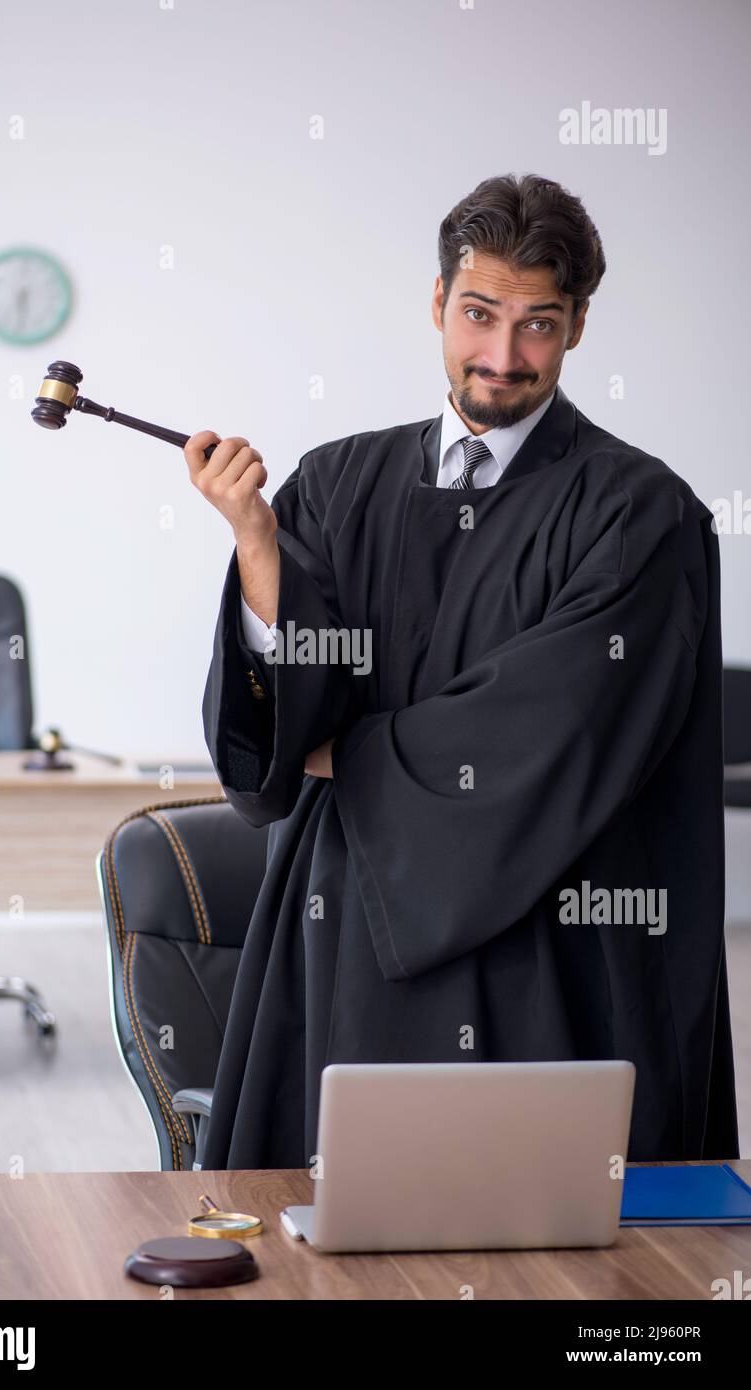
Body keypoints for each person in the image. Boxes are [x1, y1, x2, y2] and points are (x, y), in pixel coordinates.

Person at [185, 172, 739, 1169]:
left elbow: (563, 725)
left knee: (536, 1219)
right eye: (480, 314)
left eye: (539, 325)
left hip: (549, 945)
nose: (503, 356)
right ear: (439, 301)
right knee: (324, 1218)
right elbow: (285, 719)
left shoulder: (638, 511)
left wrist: (348, 757)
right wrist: (258, 544)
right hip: (344, 922)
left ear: (577, 326)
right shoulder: (335, 483)